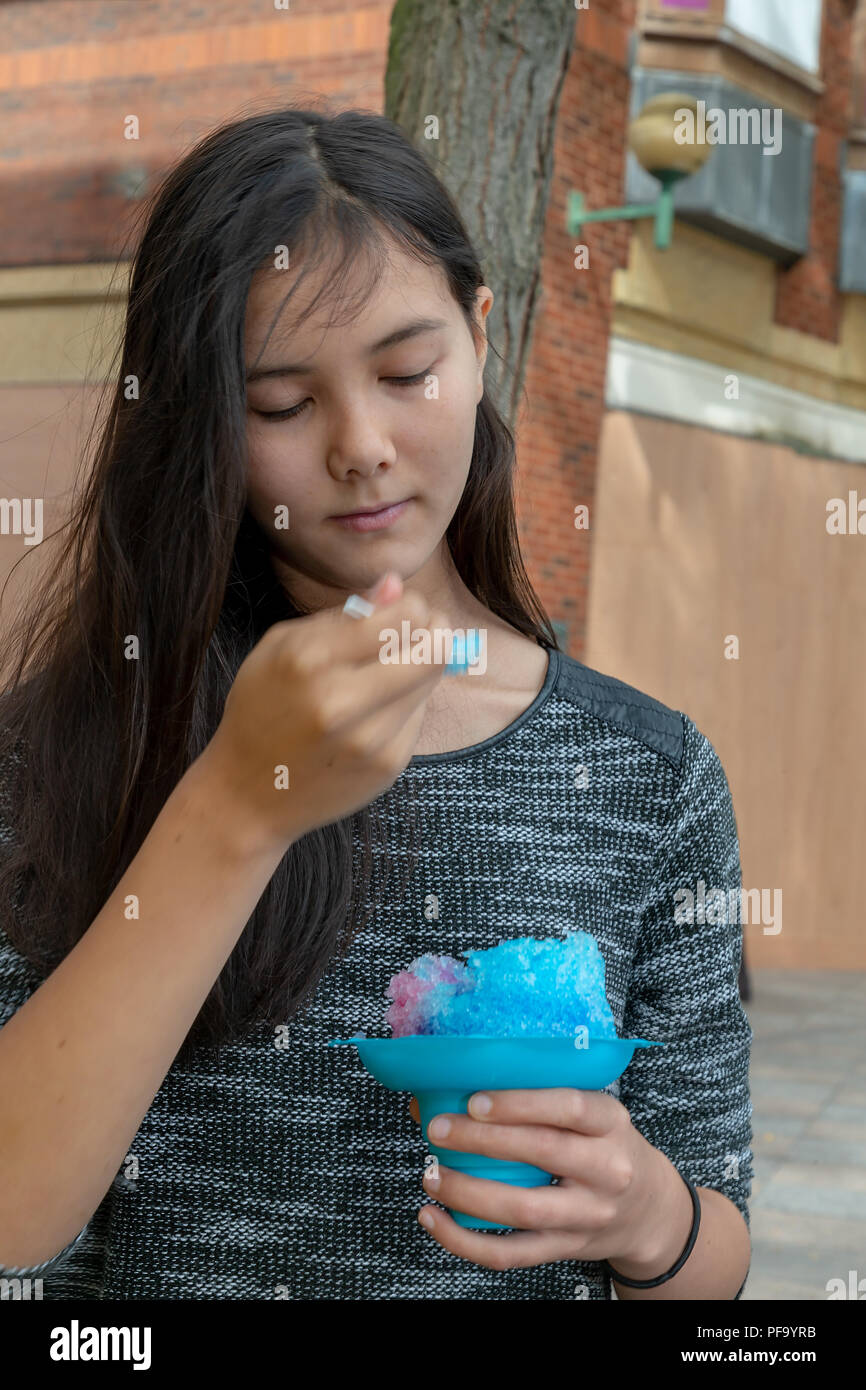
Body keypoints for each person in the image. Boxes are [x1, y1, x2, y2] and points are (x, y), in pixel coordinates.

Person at [0, 105, 752, 1300]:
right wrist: (240, 803)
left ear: (482, 337)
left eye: (408, 371)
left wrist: (651, 1215)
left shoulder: (644, 773)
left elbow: (716, 1250)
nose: (361, 445)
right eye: (282, 404)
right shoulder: (59, 747)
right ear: (199, 422)